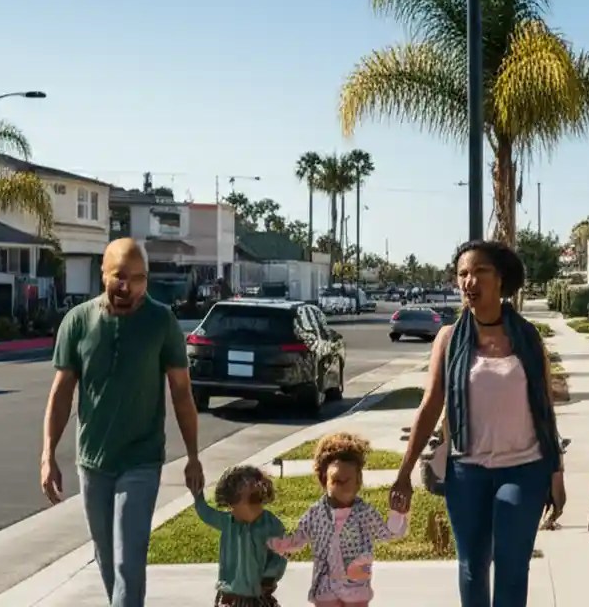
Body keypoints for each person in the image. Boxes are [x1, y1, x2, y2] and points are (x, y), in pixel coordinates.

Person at [390, 240, 566, 607]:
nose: (470, 281)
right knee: (472, 567)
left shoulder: (528, 337)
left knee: (512, 568)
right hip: (466, 471)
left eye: (480, 272)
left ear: (500, 280)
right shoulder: (450, 339)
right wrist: (404, 471)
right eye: (463, 274)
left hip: (524, 468)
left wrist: (556, 473)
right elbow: (430, 405)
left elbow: (545, 408)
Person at [39, 238, 205, 607]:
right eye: (120, 277)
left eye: (139, 278)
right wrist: (48, 454)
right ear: (103, 275)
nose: (129, 287)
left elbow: (181, 392)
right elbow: (62, 393)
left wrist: (193, 455)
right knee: (107, 562)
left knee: (129, 564)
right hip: (93, 463)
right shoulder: (78, 322)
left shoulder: (161, 321)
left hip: (141, 460)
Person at [269, 432, 410, 606]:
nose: (343, 486)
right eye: (336, 481)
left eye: (348, 480)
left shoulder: (364, 512)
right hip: (325, 586)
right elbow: (300, 537)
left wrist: (397, 514)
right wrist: (280, 544)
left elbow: (387, 533)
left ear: (358, 481)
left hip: (356, 585)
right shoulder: (316, 513)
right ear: (323, 480)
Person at [194, 465, 288, 607]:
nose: (256, 508)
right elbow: (205, 513)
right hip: (230, 596)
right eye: (251, 501)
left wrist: (269, 577)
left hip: (258, 595)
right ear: (232, 503)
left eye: (258, 500)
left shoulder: (271, 525)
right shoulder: (228, 522)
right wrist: (197, 494)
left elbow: (280, 555)